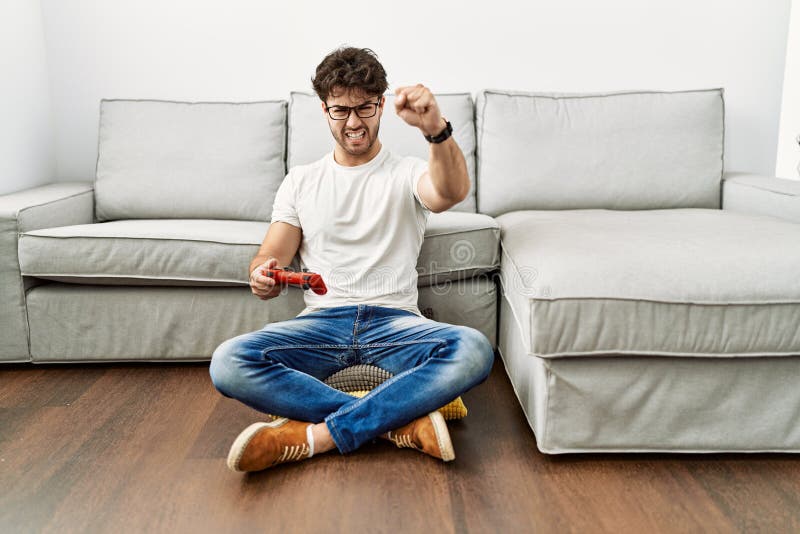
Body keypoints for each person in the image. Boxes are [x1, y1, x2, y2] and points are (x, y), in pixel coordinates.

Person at [209, 46, 494, 473]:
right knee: (228, 362)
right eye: (341, 110)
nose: (355, 122)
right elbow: (271, 255)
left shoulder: (409, 172)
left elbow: (450, 193)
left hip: (395, 324)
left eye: (365, 108)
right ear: (324, 109)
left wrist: (435, 128)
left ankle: (317, 436)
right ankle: (398, 424)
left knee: (473, 350)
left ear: (381, 104)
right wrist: (261, 275)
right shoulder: (302, 182)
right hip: (321, 324)